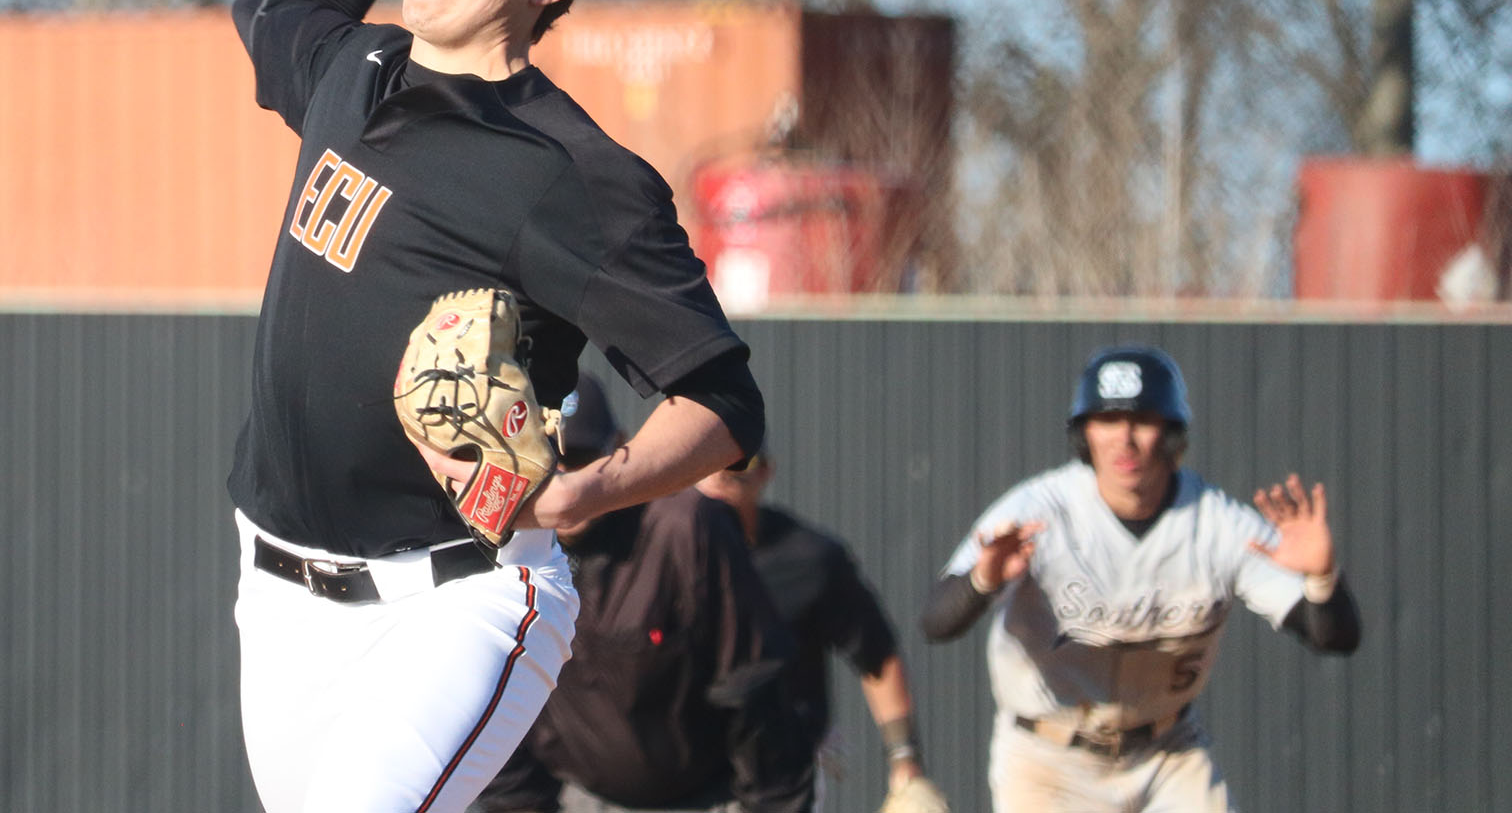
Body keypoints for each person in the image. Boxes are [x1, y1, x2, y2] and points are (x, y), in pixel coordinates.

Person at [226, 0, 768, 813]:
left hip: (455, 603)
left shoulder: (571, 174)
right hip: (280, 593)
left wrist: (576, 495)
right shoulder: (355, 69)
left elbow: (723, 404)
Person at [920, 345, 1361, 812]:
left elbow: (1335, 637)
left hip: (1168, 753)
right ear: (1083, 434)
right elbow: (936, 621)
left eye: (1143, 420)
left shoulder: (1216, 523)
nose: (1123, 439)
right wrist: (983, 580)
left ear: (1171, 436)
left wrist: (1322, 577)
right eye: (1106, 420)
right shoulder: (1039, 512)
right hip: (1049, 761)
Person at [476, 374, 815, 813]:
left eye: (579, 457)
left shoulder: (682, 526)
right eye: (544, 459)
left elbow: (752, 683)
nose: (560, 478)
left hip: (703, 795)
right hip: (572, 797)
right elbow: (490, 703)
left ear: (618, 449)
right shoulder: (499, 543)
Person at [695, 452, 949, 810]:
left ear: (764, 471)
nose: (720, 478)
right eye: (708, 466)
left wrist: (906, 763)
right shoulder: (661, 550)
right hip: (686, 769)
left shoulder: (808, 557)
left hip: (780, 771)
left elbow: (875, 656)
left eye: (735, 468)